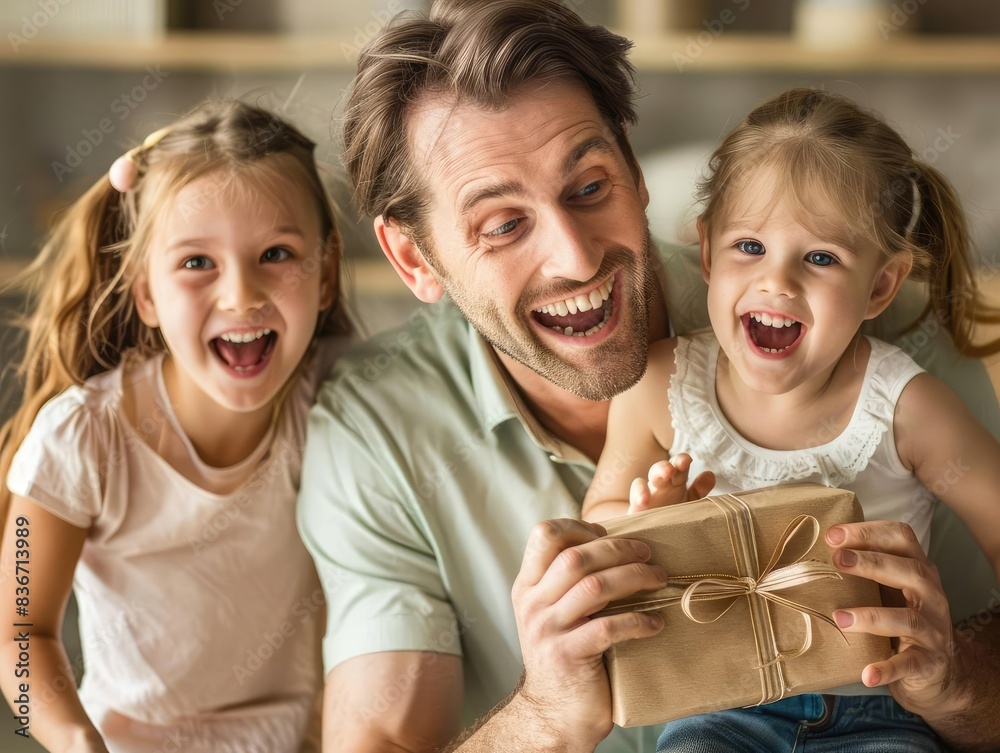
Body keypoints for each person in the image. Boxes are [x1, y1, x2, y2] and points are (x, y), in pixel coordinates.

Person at [297, 1, 1000, 751]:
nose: (575, 256)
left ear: (634, 169)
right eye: (503, 224)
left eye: (590, 186)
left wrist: (954, 678)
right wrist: (546, 712)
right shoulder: (374, 432)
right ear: (413, 259)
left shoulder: (887, 338)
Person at [581, 87, 1000, 751]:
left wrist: (955, 650)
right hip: (718, 709)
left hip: (881, 710)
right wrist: (645, 519)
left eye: (822, 257)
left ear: (882, 286)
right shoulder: (660, 384)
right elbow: (597, 528)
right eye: (749, 245)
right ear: (709, 254)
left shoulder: (907, 406)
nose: (778, 282)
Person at [0, 99, 351, 752]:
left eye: (276, 252)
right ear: (147, 295)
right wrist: (77, 741)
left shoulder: (343, 402)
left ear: (325, 275)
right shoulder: (78, 439)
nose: (241, 294)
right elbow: (18, 635)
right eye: (197, 262)